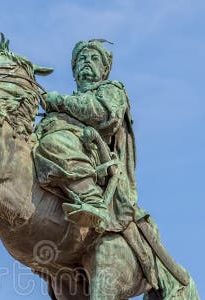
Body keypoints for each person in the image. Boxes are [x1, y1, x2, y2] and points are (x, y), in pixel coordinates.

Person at [34, 39, 140, 230]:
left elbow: (102, 114)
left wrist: (59, 101)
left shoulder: (112, 89)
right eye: (82, 59)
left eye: (94, 58)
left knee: (54, 143)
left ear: (104, 70)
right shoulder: (68, 102)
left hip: (92, 153)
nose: (87, 62)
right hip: (64, 152)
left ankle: (92, 200)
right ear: (74, 71)